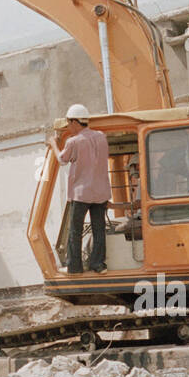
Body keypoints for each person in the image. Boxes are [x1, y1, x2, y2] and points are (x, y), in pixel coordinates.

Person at [56, 103, 111, 274]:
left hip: (81, 194)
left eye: (68, 123)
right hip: (101, 192)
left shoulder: (74, 141)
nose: (68, 127)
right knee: (99, 229)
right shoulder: (102, 136)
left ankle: (74, 267)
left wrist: (53, 142)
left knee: (75, 231)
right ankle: (98, 265)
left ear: (74, 122)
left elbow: (62, 159)